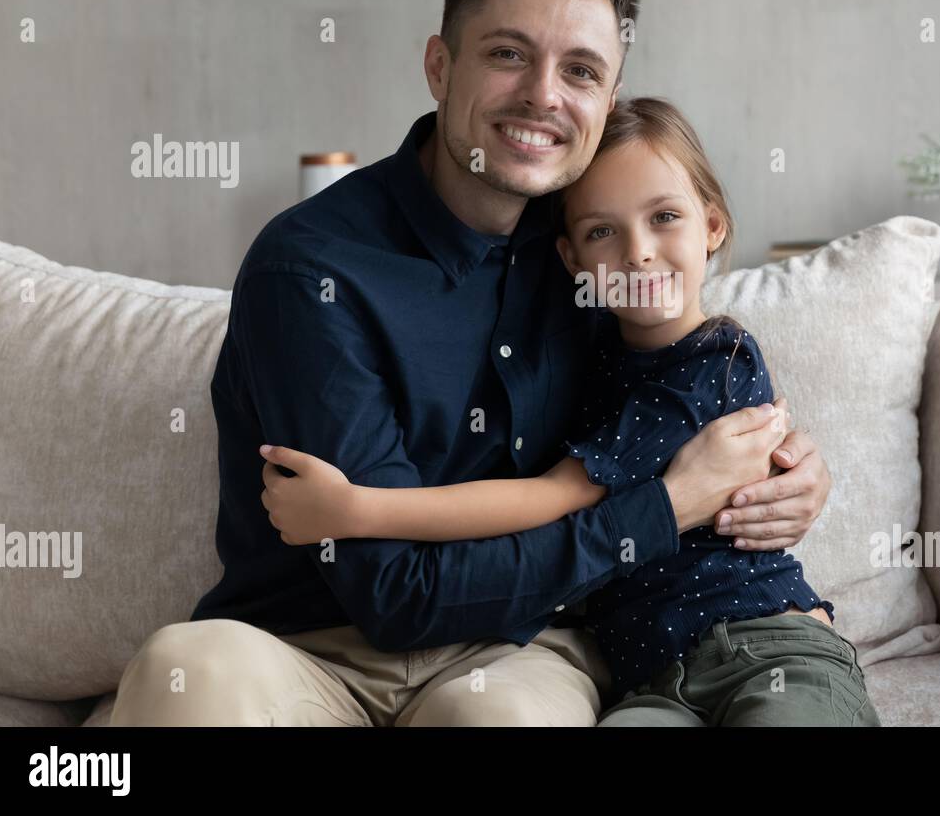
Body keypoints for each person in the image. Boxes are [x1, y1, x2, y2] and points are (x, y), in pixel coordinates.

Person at [110, 0, 835, 727]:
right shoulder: (311, 270)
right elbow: (391, 594)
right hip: (310, 648)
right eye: (508, 54)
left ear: (605, 102)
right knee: (186, 672)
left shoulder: (597, 249)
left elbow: (682, 384)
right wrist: (668, 507)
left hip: (521, 650)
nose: (543, 96)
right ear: (440, 66)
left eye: (582, 71)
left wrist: (789, 470)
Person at [259, 97, 879, 726]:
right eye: (602, 232)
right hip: (655, 678)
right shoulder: (594, 354)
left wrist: (358, 508)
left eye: (665, 217)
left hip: (769, 644)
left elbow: (548, 497)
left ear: (712, 226)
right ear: (571, 257)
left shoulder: (715, 364)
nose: (638, 252)